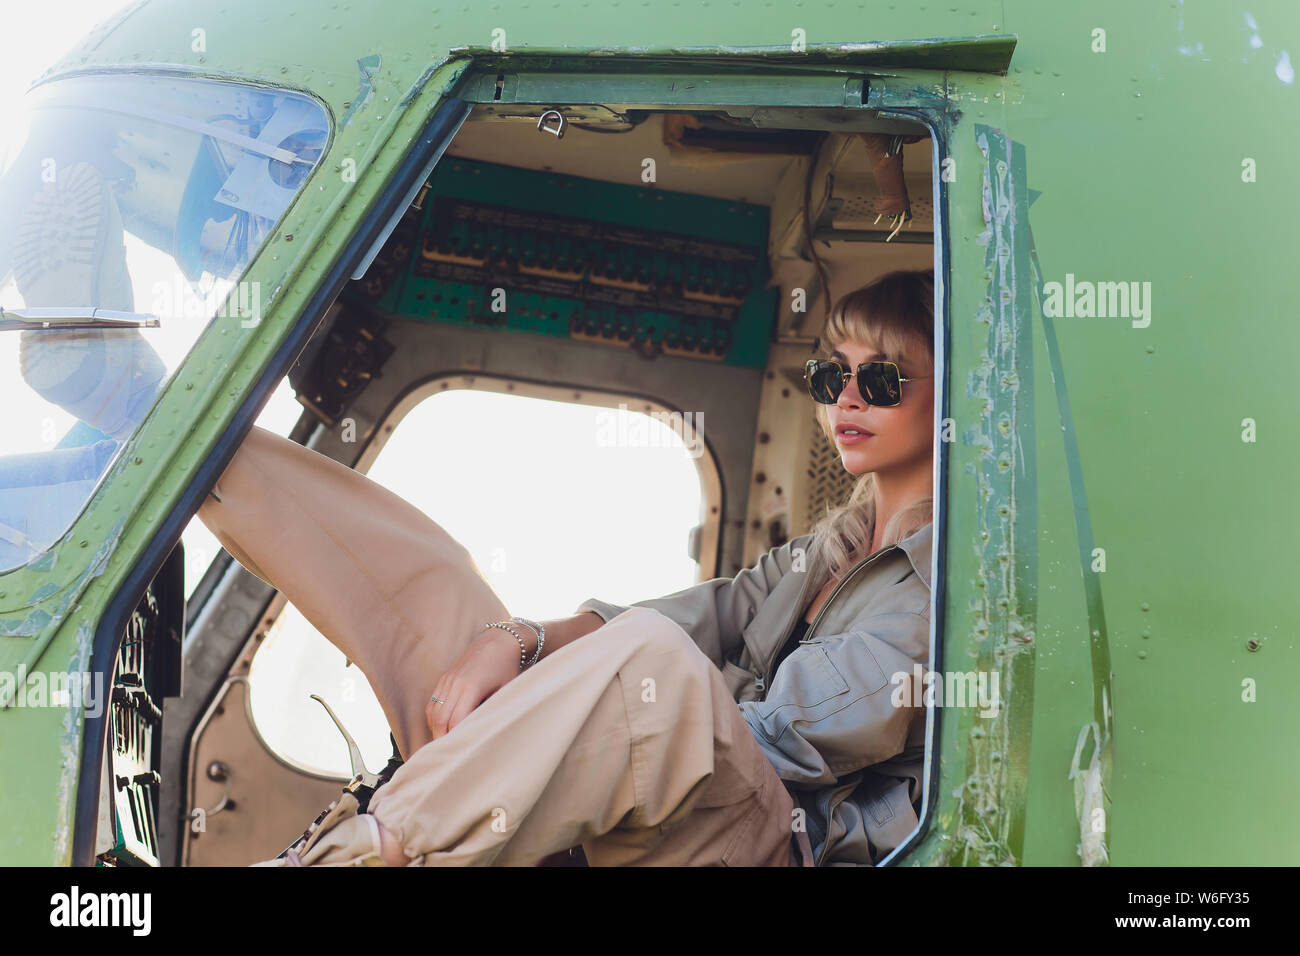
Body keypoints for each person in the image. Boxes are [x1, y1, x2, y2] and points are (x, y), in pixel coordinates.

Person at [197, 268, 937, 867]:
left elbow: (776, 738)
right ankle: (198, 454)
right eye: (831, 374)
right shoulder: (831, 548)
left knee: (654, 672)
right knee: (449, 599)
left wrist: (555, 737)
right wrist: (518, 646)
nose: (845, 398)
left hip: (778, 842)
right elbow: (698, 614)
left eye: (881, 381)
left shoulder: (943, 586)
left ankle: (358, 854)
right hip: (695, 810)